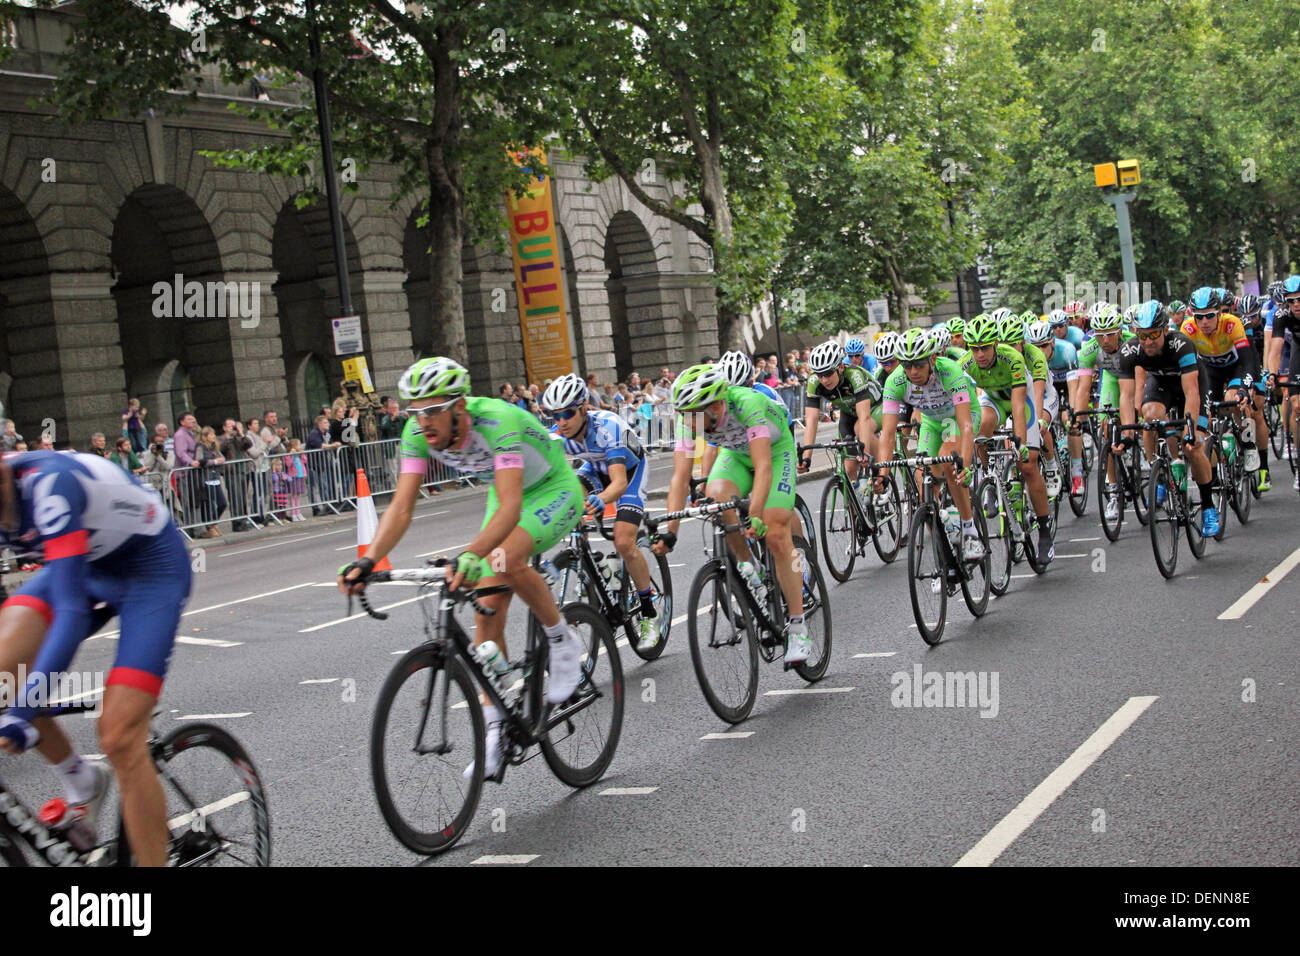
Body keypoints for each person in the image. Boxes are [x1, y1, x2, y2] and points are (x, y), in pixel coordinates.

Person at [338, 357, 586, 779]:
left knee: (502, 559)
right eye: (415, 411)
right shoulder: (417, 434)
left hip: (551, 491)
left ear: (460, 407)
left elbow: (510, 507)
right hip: (506, 496)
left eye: (433, 409)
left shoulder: (498, 420)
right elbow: (401, 507)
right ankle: (496, 731)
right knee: (485, 614)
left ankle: (563, 641)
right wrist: (366, 560)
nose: (424, 421)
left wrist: (471, 554)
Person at [0, 449, 193, 866]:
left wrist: (24, 709)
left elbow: (69, 612)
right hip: (84, 565)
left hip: (149, 570)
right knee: (2, 669)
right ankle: (81, 778)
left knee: (119, 736)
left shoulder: (50, 486)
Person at [542, 374, 661, 650]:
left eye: (568, 413)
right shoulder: (560, 436)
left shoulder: (608, 426)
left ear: (584, 408)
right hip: (594, 469)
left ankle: (649, 611)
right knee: (568, 500)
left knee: (623, 541)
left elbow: (618, 483)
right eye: (555, 415)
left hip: (629, 473)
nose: (561, 421)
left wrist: (600, 500)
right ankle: (589, 559)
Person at [1118, 300, 1218, 535]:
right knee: (1150, 416)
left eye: (1154, 333)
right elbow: (1126, 395)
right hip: (1162, 385)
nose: (1148, 341)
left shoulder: (1181, 344)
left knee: (1192, 446)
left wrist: (1191, 429)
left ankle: (1208, 507)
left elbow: (1192, 392)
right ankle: (1161, 472)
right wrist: (1127, 432)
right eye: (1143, 335)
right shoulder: (1130, 351)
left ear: (1164, 329)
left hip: (1192, 388)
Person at [306, 414, 340, 515]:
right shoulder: (314, 433)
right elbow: (320, 445)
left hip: (322, 463)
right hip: (313, 464)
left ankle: (326, 506)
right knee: (313, 487)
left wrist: (333, 444)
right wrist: (332, 445)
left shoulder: (326, 433)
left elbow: (328, 441)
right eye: (325, 422)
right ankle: (315, 508)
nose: (328, 424)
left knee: (323, 485)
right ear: (319, 424)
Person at [285, 438, 308, 520]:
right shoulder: (289, 454)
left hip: (300, 475)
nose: (300, 446)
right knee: (293, 495)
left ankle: (298, 512)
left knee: (298, 494)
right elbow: (288, 464)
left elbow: (305, 461)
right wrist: (291, 455)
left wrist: (302, 454)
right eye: (298, 444)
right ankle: (293, 513)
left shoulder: (299, 454)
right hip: (293, 476)